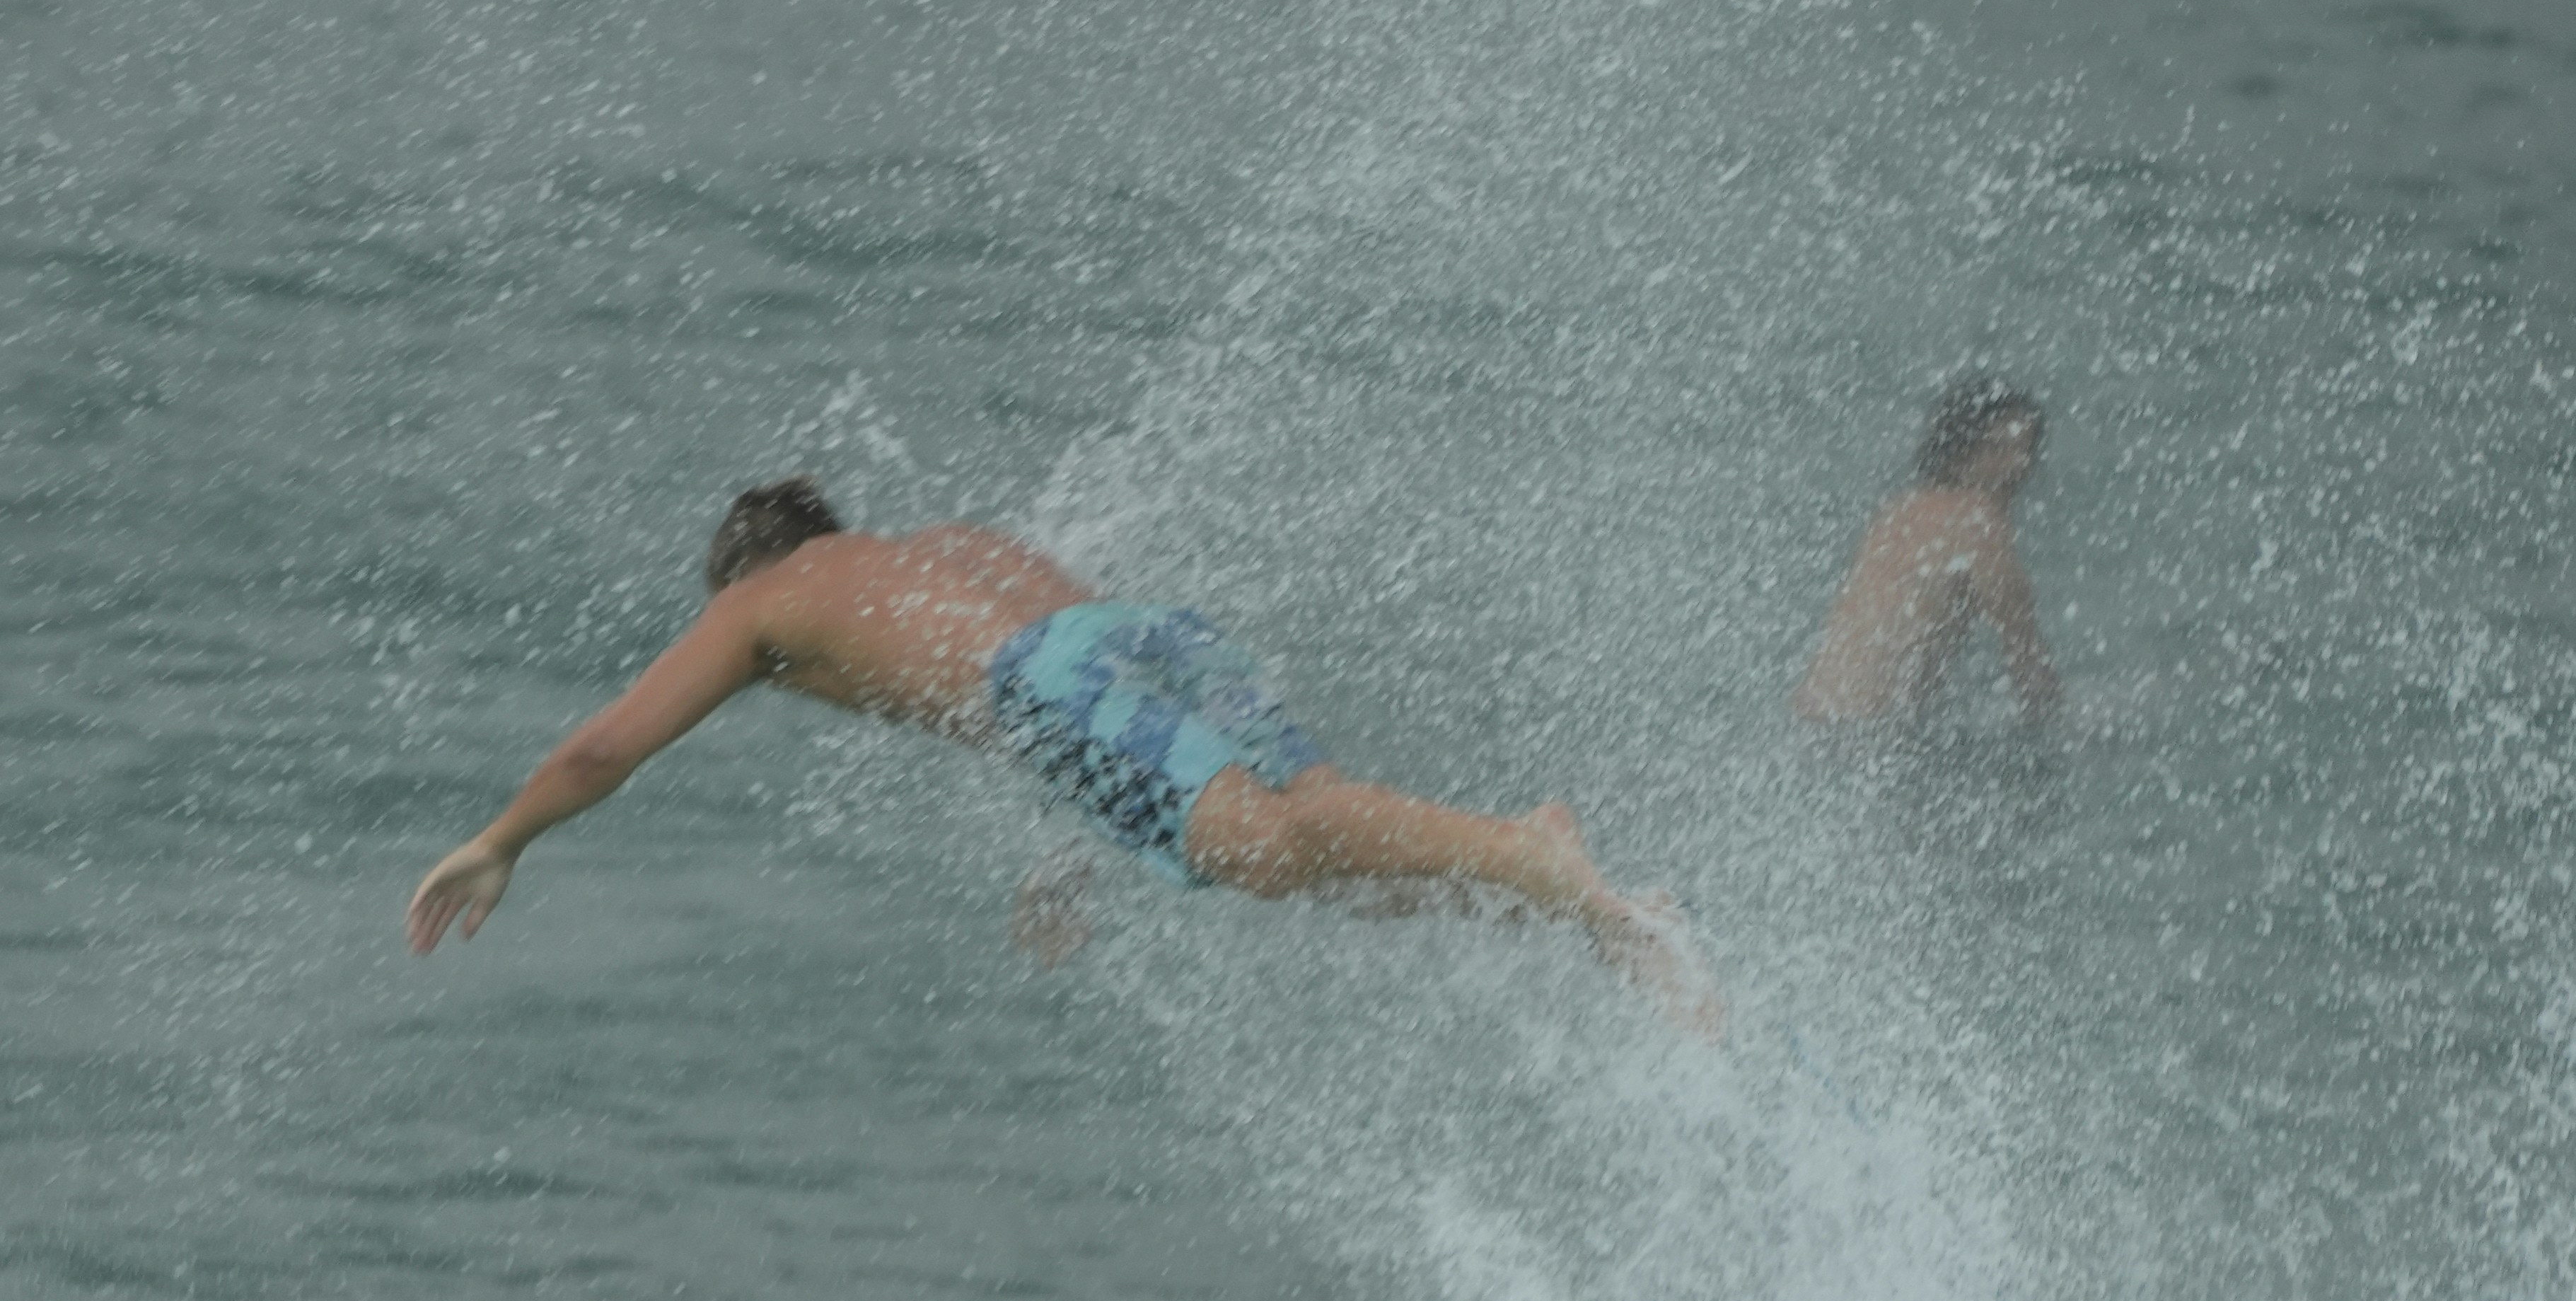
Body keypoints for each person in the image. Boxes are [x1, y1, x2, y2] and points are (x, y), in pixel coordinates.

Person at [401, 480, 1705, 1014]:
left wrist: (501, 838)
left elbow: (601, 750)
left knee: (1268, 849)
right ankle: (1572, 914)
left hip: (1057, 682)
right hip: (1146, 638)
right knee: (1311, 846)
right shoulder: (935, 554)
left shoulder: (759, 606)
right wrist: (1073, 845)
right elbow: (1098, 670)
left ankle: (1534, 856)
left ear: (746, 573)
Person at [1794, 377, 2062, 723]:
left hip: (1814, 722)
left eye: (2027, 449)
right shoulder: (1979, 523)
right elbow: (2028, 663)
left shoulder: (1900, 514)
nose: (2019, 465)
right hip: (1872, 735)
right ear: (1959, 455)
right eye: (1999, 449)